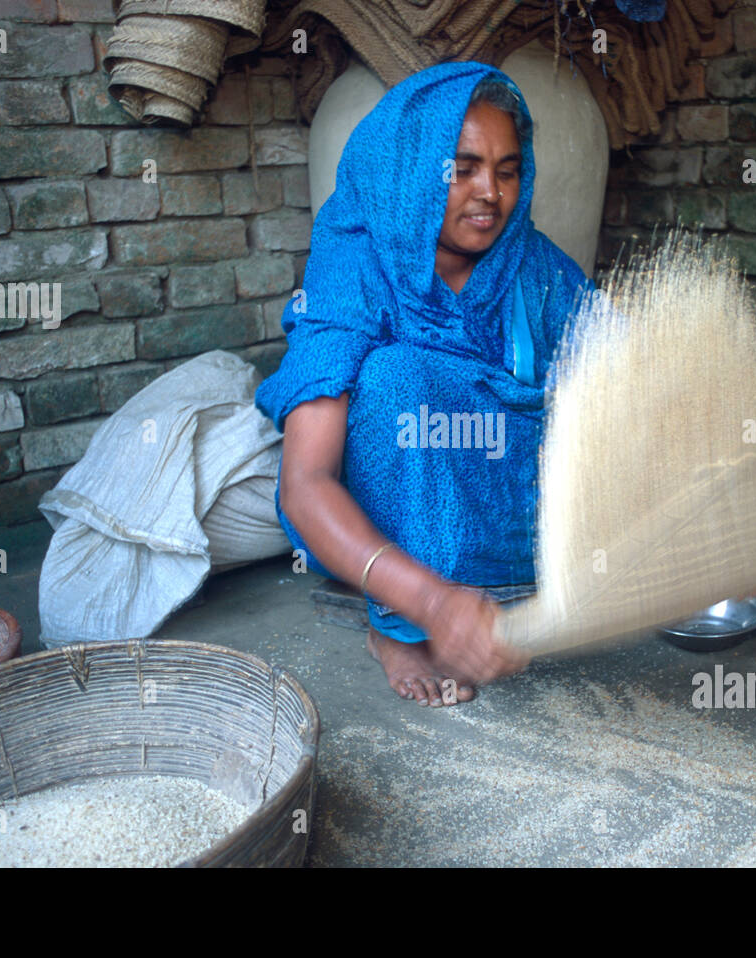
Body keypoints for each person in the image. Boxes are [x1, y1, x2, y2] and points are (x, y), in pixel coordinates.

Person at [255, 61, 596, 707]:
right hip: (409, 496)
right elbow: (306, 486)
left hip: (514, 501)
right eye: (462, 167)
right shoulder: (356, 262)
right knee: (396, 377)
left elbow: (618, 361)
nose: (490, 193)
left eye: (507, 168)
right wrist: (433, 604)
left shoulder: (534, 265)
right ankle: (397, 624)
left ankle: (502, 591)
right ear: (416, 166)